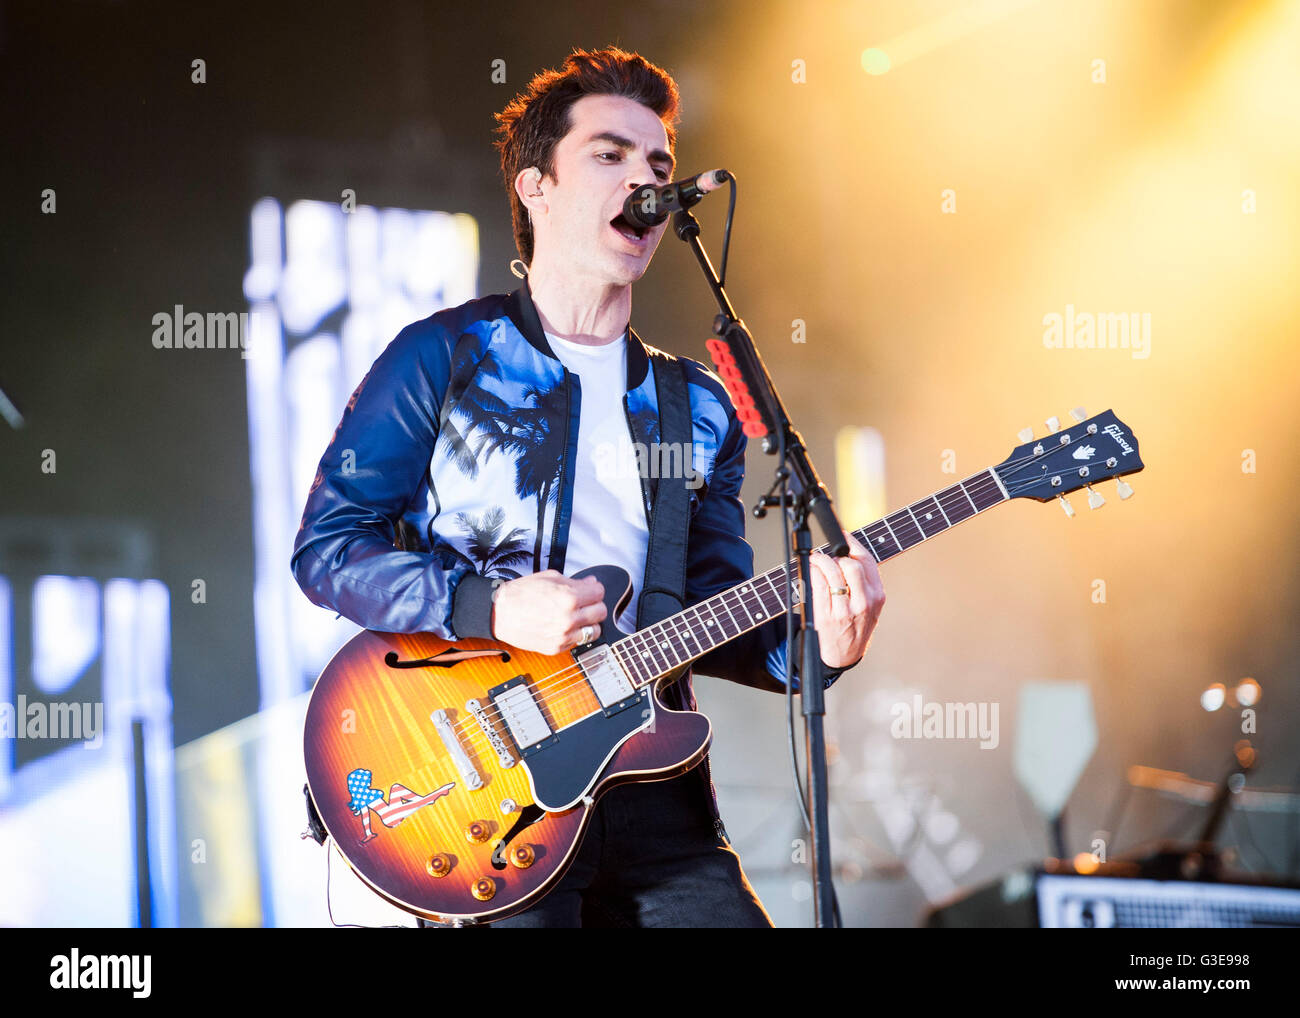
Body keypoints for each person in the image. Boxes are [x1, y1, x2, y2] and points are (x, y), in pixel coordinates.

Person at [290, 46, 885, 927]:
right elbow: (328, 550)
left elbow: (714, 616)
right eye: (609, 155)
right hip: (490, 785)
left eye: (658, 165)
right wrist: (486, 608)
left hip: (656, 790)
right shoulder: (444, 356)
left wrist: (822, 649)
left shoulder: (698, 407)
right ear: (535, 186)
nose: (644, 181)